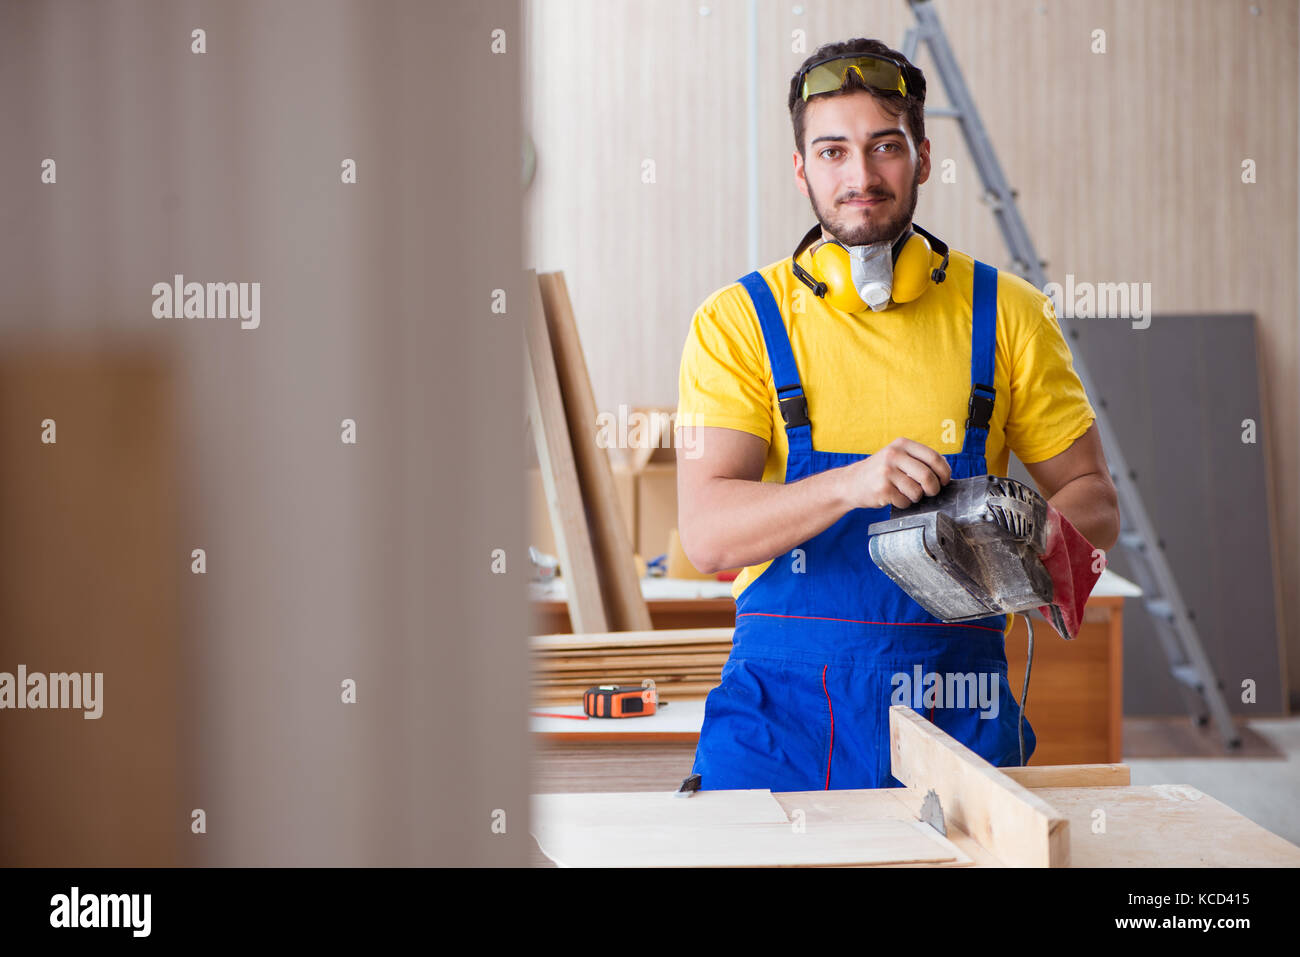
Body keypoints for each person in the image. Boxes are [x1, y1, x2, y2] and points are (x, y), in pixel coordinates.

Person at [674, 38, 1120, 791]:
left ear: (922, 157)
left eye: (885, 146)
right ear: (800, 168)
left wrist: (1031, 536)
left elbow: (1096, 496)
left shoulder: (1007, 313)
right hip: (780, 721)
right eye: (832, 151)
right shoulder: (739, 321)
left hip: (959, 707)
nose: (860, 177)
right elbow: (709, 537)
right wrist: (852, 484)